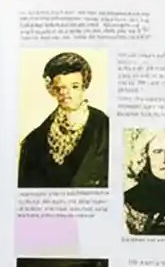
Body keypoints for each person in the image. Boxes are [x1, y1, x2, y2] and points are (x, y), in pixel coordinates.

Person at [18, 52, 109, 188]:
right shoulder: (33, 142)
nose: (66, 93)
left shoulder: (104, 126)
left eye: (74, 86)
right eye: (60, 88)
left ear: (84, 86)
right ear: (52, 90)